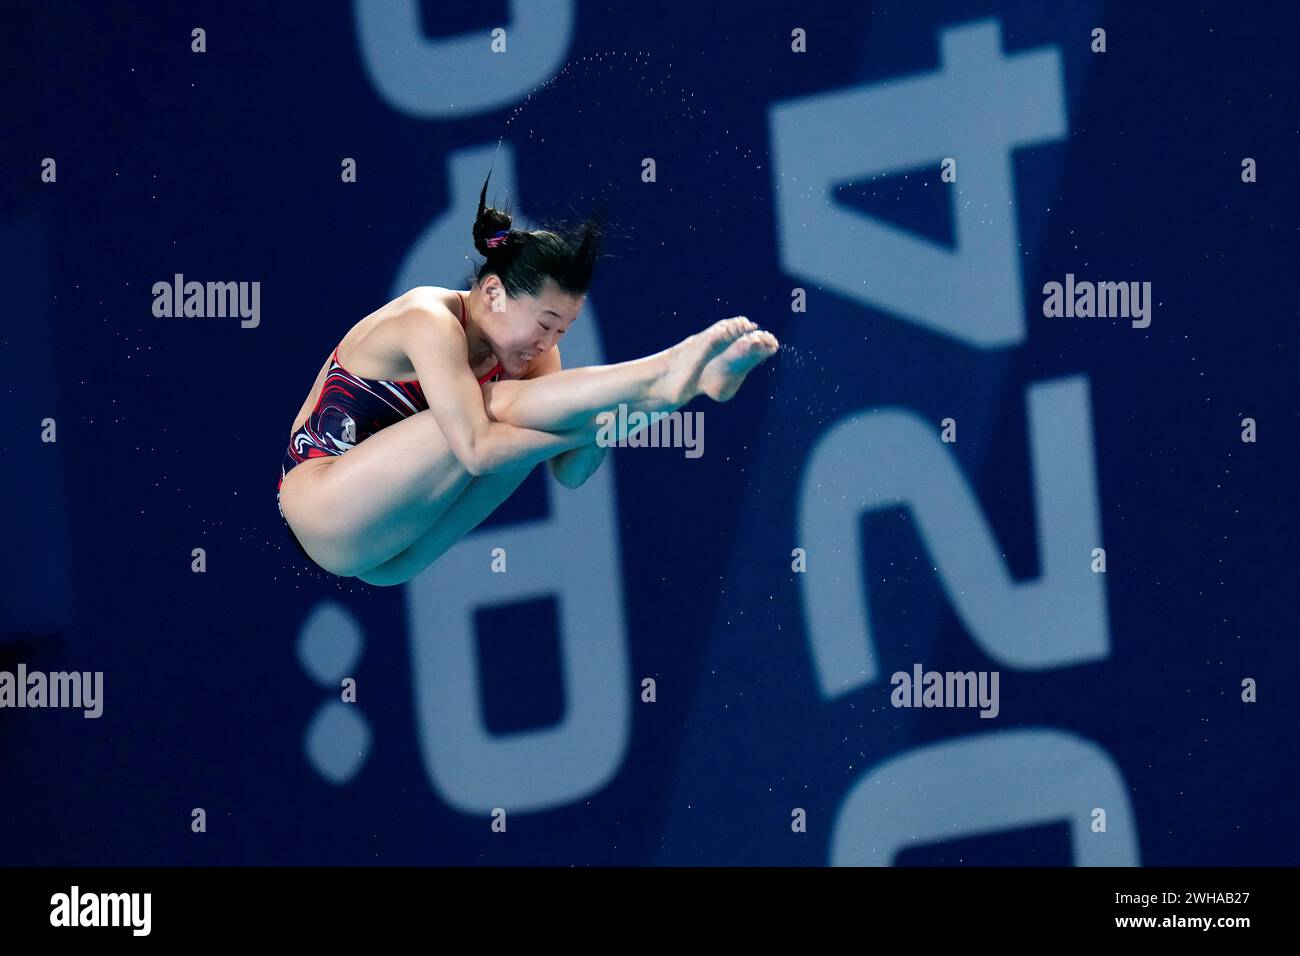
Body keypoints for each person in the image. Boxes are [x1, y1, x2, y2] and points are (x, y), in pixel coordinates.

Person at [276, 173, 779, 585]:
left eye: (563, 329)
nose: (548, 343)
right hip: (324, 509)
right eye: (543, 324)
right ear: (492, 292)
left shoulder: (534, 358)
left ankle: (686, 387)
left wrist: (596, 422)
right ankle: (667, 371)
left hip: (396, 558)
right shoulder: (426, 320)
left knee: (529, 419)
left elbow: (571, 473)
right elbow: (475, 449)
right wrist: (594, 420)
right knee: (492, 412)